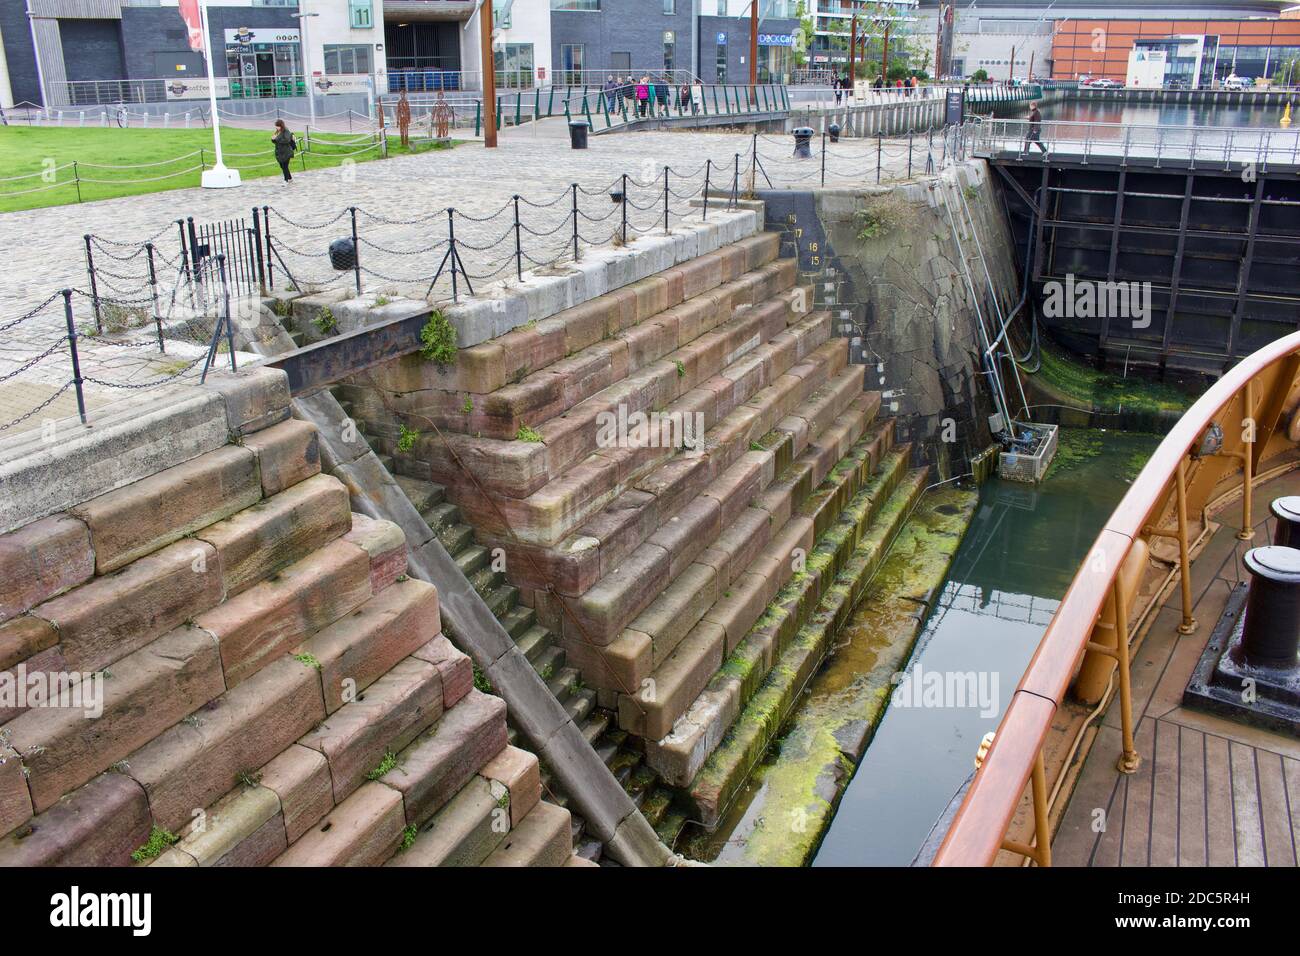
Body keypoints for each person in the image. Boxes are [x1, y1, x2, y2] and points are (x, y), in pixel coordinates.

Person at [272, 118, 296, 183]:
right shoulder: (277, 131)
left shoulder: (286, 131)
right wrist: (273, 139)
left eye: (278, 126)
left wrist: (276, 139)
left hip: (286, 152)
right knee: (282, 166)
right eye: (276, 126)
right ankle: (290, 178)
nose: (276, 127)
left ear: (281, 125)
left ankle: (286, 180)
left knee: (285, 166)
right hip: (279, 152)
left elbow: (286, 140)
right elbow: (276, 141)